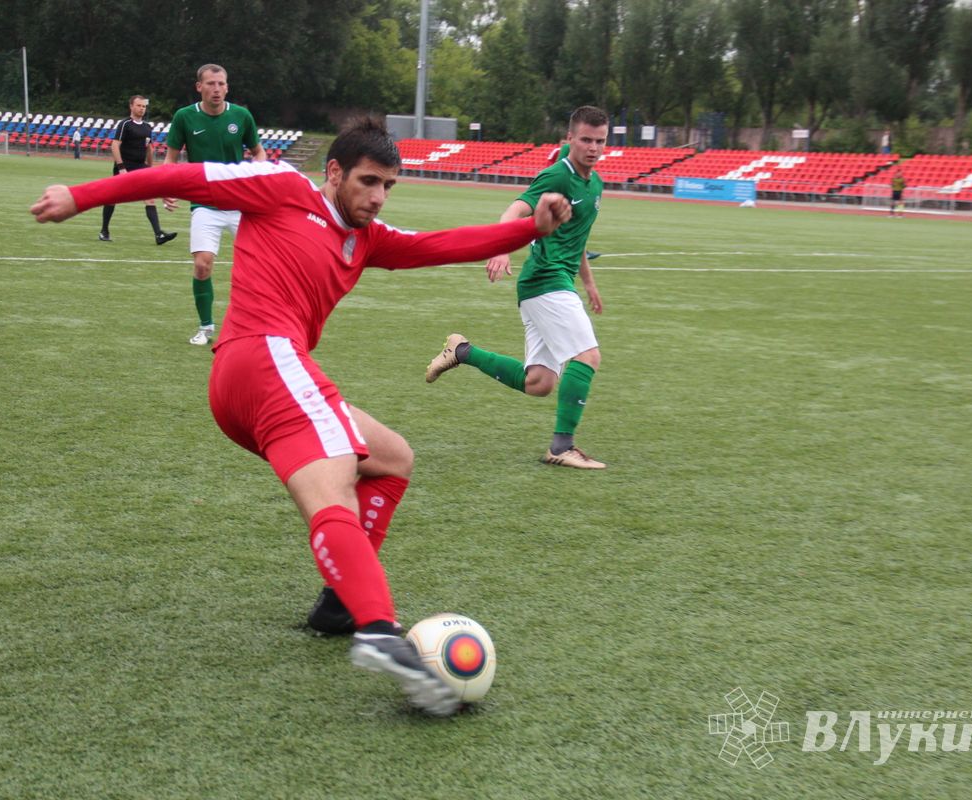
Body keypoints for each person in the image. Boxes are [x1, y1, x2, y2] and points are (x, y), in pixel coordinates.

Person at [30, 117, 573, 716]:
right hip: (262, 357)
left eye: (389, 185)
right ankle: (378, 630)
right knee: (334, 484)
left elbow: (438, 245)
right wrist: (82, 195)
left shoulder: (367, 237)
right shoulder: (283, 187)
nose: (378, 196)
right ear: (334, 172)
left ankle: (341, 605)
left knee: (392, 457)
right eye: (369, 181)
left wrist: (529, 228)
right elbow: (183, 176)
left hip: (257, 380)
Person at [425, 106, 609, 470]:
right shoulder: (557, 175)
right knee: (588, 356)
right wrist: (502, 249)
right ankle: (562, 446)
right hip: (546, 281)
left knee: (538, 383)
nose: (592, 147)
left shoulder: (595, 184)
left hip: (552, 283)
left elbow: (578, 238)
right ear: (569, 139)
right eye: (585, 139)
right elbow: (512, 213)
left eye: (600, 141)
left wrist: (588, 281)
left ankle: (462, 351)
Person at [165, 64, 267, 345]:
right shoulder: (185, 117)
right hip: (204, 204)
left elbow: (258, 152)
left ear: (227, 87)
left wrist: (259, 174)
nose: (216, 89)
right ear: (199, 87)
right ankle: (206, 327)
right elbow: (171, 159)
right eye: (210, 84)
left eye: (221, 84)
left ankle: (261, 325)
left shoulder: (241, 116)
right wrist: (167, 187)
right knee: (202, 265)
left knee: (261, 266)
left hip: (240, 204)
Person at [98, 95, 177, 245]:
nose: (142, 108)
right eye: (139, 105)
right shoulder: (125, 124)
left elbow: (149, 148)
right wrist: (121, 167)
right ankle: (104, 231)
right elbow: (115, 146)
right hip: (124, 167)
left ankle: (158, 234)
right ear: (131, 107)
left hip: (140, 167)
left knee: (149, 197)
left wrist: (150, 168)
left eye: (144, 106)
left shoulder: (147, 127)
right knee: (111, 198)